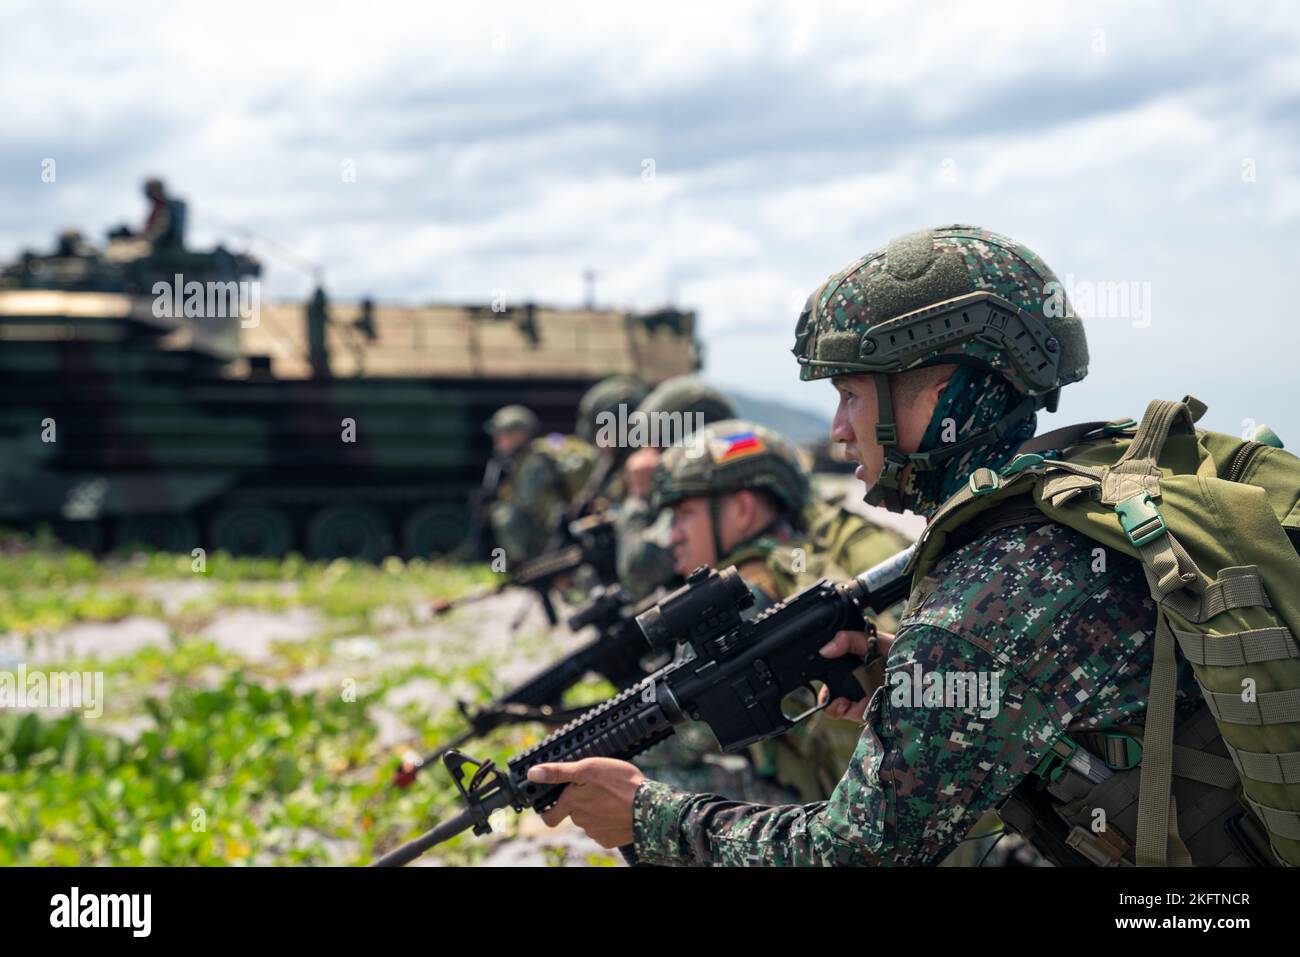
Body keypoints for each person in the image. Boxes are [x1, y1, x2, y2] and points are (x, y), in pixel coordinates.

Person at [524, 224, 1275, 866]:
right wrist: (900, 666)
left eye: (852, 394)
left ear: (941, 387)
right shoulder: (1078, 493)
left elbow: (853, 852)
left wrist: (652, 816)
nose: (840, 429)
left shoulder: (983, 597)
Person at [631, 419, 859, 804]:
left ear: (742, 509)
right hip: (883, 793)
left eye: (684, 513)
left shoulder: (745, 599)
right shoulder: (804, 566)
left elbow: (670, 743)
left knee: (640, 781)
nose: (673, 536)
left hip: (847, 816)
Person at [485, 404, 596, 565]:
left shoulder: (535, 462)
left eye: (503, 436)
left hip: (556, 532)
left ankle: (524, 566)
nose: (498, 442)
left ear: (520, 435)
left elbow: (526, 503)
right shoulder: (529, 458)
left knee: (504, 515)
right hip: (561, 528)